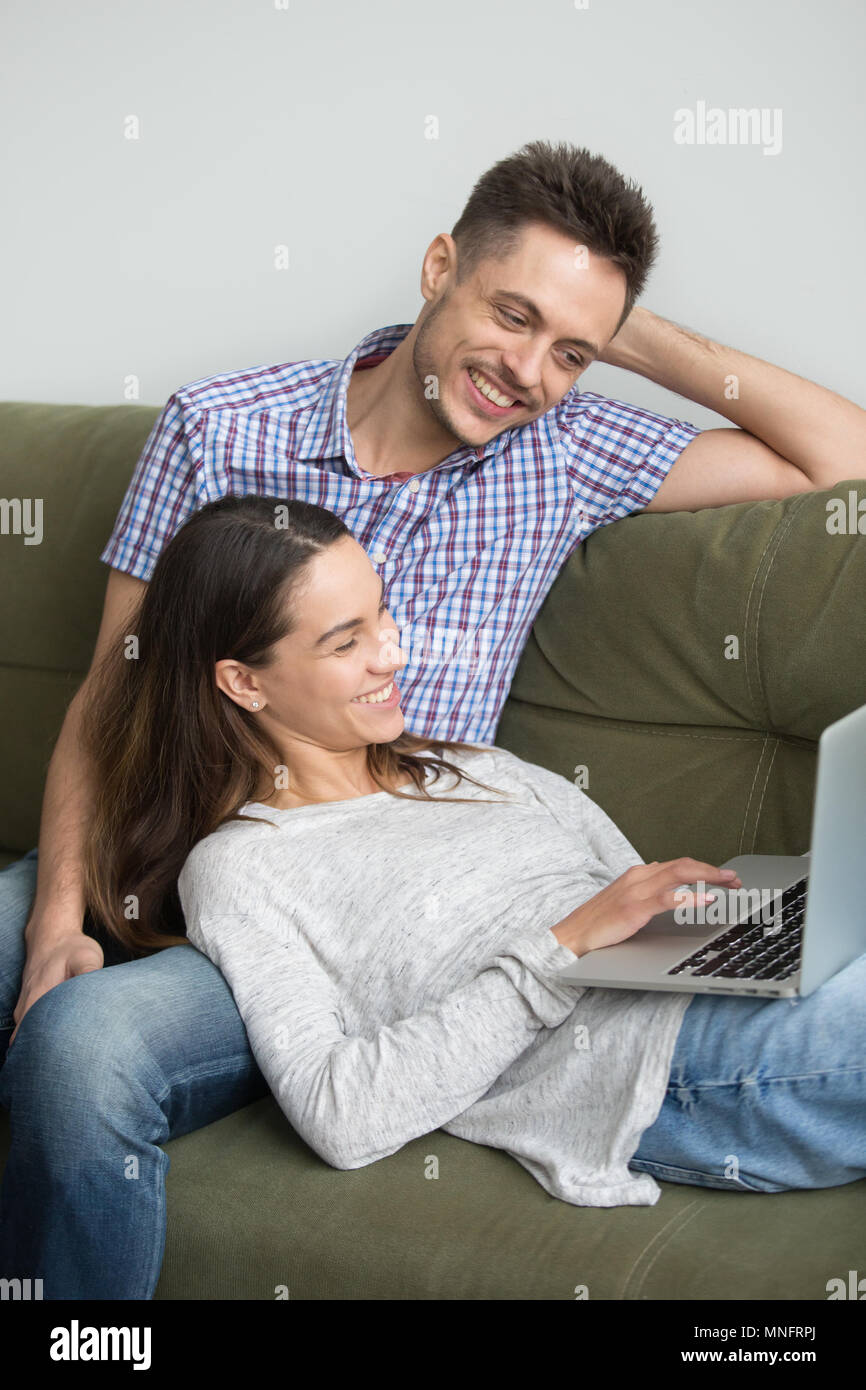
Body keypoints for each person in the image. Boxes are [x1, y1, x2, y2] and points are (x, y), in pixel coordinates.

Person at [2, 138, 865, 1298]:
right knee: (24, 960)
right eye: (509, 313)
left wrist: (617, 329)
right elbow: (113, 694)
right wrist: (60, 918)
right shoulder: (219, 426)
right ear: (436, 266)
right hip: (191, 841)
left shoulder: (561, 449)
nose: (525, 369)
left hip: (360, 904)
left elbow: (842, 460)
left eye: (569, 350)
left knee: (86, 1045)